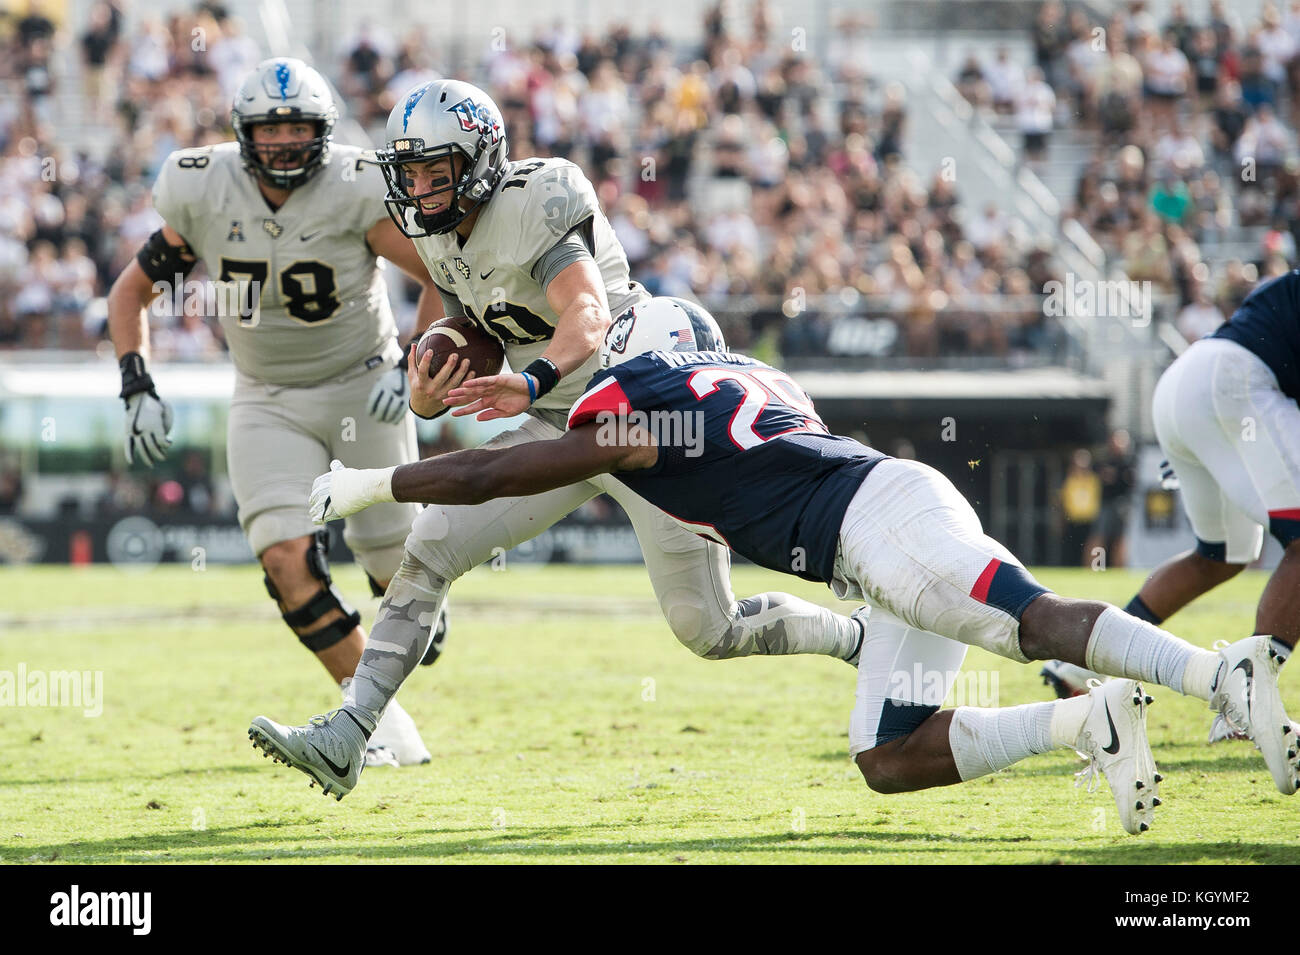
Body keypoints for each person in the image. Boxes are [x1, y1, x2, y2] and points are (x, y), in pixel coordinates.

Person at [252, 300, 1299, 833]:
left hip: (880, 527)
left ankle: (1219, 673)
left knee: (1027, 621)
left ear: (637, 355)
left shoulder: (637, 398)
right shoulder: (736, 374)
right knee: (889, 756)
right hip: (875, 527)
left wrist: (377, 486)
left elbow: (510, 472)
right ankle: (1087, 720)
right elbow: (611, 438)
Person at [248, 77, 872, 778]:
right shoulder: (441, 238)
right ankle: (350, 732)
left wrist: (530, 379)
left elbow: (586, 314)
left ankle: (855, 636)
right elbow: (444, 365)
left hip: (639, 420)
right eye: (411, 174)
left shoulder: (537, 198)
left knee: (708, 627)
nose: (420, 190)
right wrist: (424, 392)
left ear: (479, 162)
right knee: (430, 546)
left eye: (436, 172)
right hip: (555, 422)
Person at [108, 58, 444, 768]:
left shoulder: (354, 187)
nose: (287, 143)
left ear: (323, 133)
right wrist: (136, 383)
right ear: (243, 133)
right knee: (285, 558)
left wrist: (414, 359)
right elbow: (129, 293)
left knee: (398, 567)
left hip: (363, 384)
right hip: (264, 394)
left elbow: (442, 277)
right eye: (272, 128)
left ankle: (408, 615)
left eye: (300, 128)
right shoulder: (203, 186)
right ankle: (372, 715)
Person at [1041, 272, 1300, 746]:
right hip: (1233, 384)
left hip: (1188, 382)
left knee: (1219, 556)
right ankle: (1245, 703)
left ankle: (1081, 662)